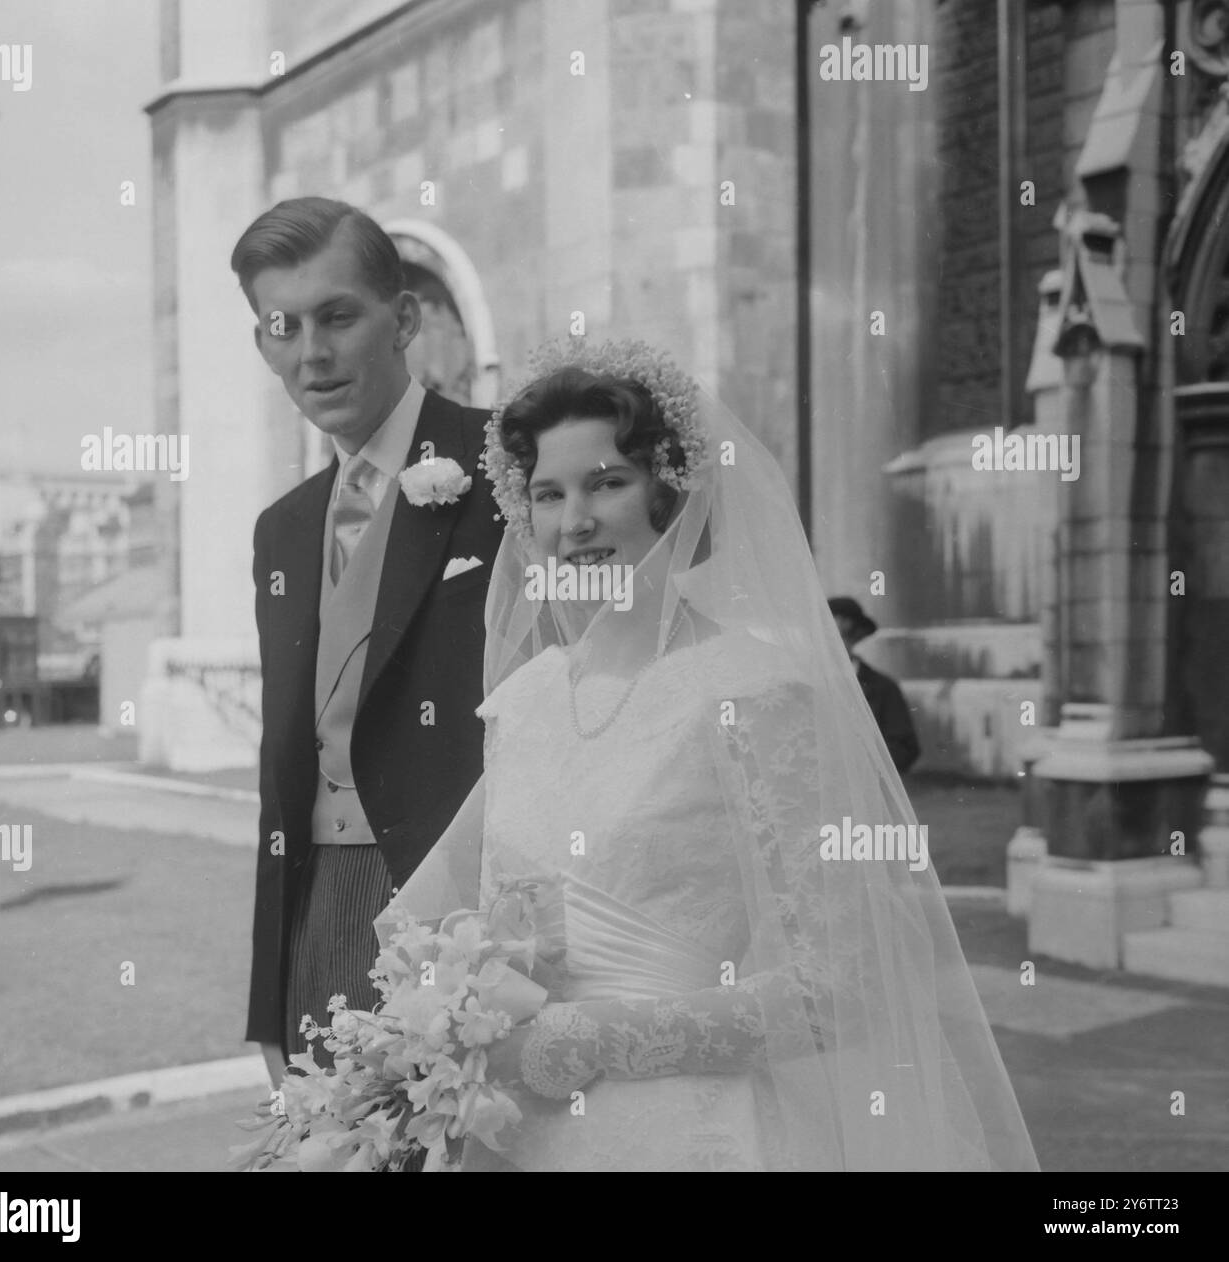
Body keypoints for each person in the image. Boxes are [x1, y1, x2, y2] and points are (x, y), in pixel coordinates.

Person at [378, 338, 1038, 1171]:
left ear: (671, 490)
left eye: (607, 483)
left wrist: (592, 1036)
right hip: (517, 1132)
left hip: (688, 1133)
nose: (574, 521)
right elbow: (432, 911)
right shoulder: (527, 698)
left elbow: (840, 986)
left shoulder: (754, 690)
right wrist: (432, 1012)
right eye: (548, 494)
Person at [232, 198, 504, 1083]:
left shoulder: (509, 466)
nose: (312, 352)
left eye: (338, 315)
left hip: (474, 910)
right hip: (321, 917)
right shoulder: (283, 528)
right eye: (284, 326)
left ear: (405, 320)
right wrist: (271, 994)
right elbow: (286, 771)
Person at [828, 596, 921, 774]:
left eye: (843, 637)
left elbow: (904, 746)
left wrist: (866, 772)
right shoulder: (803, 686)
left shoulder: (882, 687)